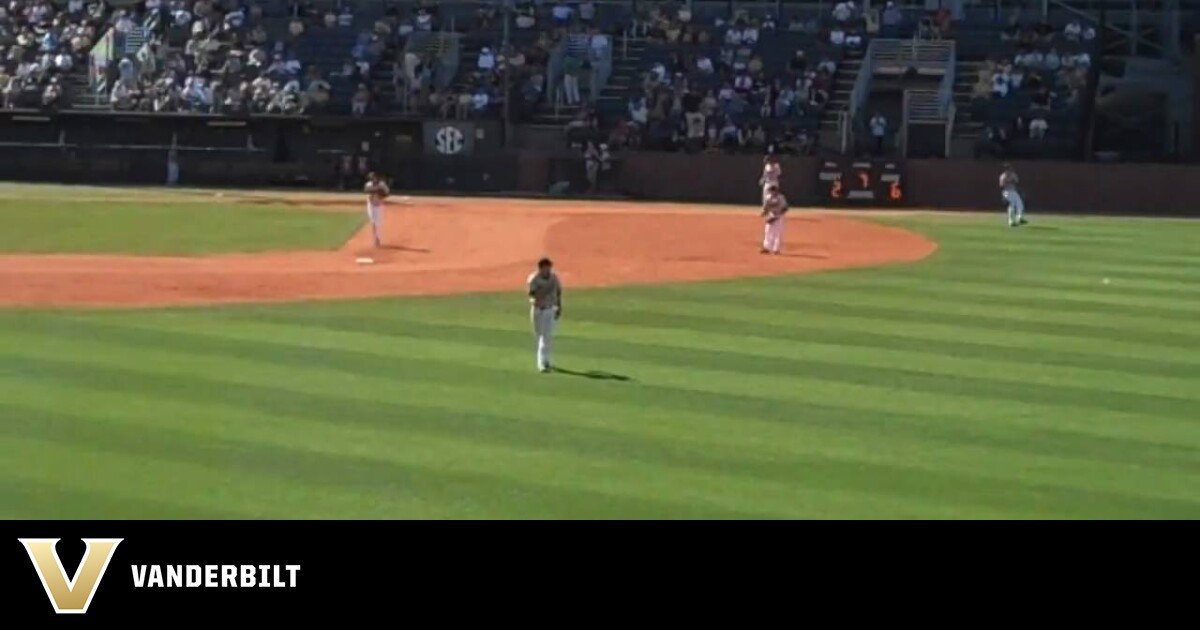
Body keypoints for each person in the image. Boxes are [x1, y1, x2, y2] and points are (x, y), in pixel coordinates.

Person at [527, 257, 563, 373]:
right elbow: (531, 294)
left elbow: (558, 292)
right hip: (537, 310)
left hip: (549, 310)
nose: (548, 270)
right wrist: (541, 294)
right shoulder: (534, 279)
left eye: (549, 267)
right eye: (546, 268)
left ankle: (542, 363)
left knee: (546, 337)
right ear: (540, 268)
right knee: (539, 335)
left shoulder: (554, 277)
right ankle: (545, 359)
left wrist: (559, 307)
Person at [363, 172, 390, 246]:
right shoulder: (368, 184)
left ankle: (378, 237)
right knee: (373, 221)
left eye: (374, 177)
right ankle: (375, 239)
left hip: (379, 206)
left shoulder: (382, 184)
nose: (373, 179)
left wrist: (381, 194)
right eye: (371, 178)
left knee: (378, 223)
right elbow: (366, 190)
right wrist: (376, 189)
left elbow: (387, 193)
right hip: (371, 205)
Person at [760, 185, 789, 254]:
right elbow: (766, 208)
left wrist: (777, 216)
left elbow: (785, 208)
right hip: (771, 215)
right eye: (771, 191)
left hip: (780, 217)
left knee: (778, 233)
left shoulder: (781, 198)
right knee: (768, 231)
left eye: (773, 191)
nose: (772, 193)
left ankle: (776, 249)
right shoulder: (768, 198)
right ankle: (766, 247)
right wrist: (764, 213)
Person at [1000, 163, 1027, 227]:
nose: (1009, 170)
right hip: (1007, 192)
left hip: (1013, 191)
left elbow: (1017, 181)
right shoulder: (1003, 176)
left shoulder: (1012, 174)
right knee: (1012, 204)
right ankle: (1011, 221)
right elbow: (1001, 186)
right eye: (1008, 168)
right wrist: (1004, 196)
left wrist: (1013, 179)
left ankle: (1019, 218)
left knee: (1019, 204)